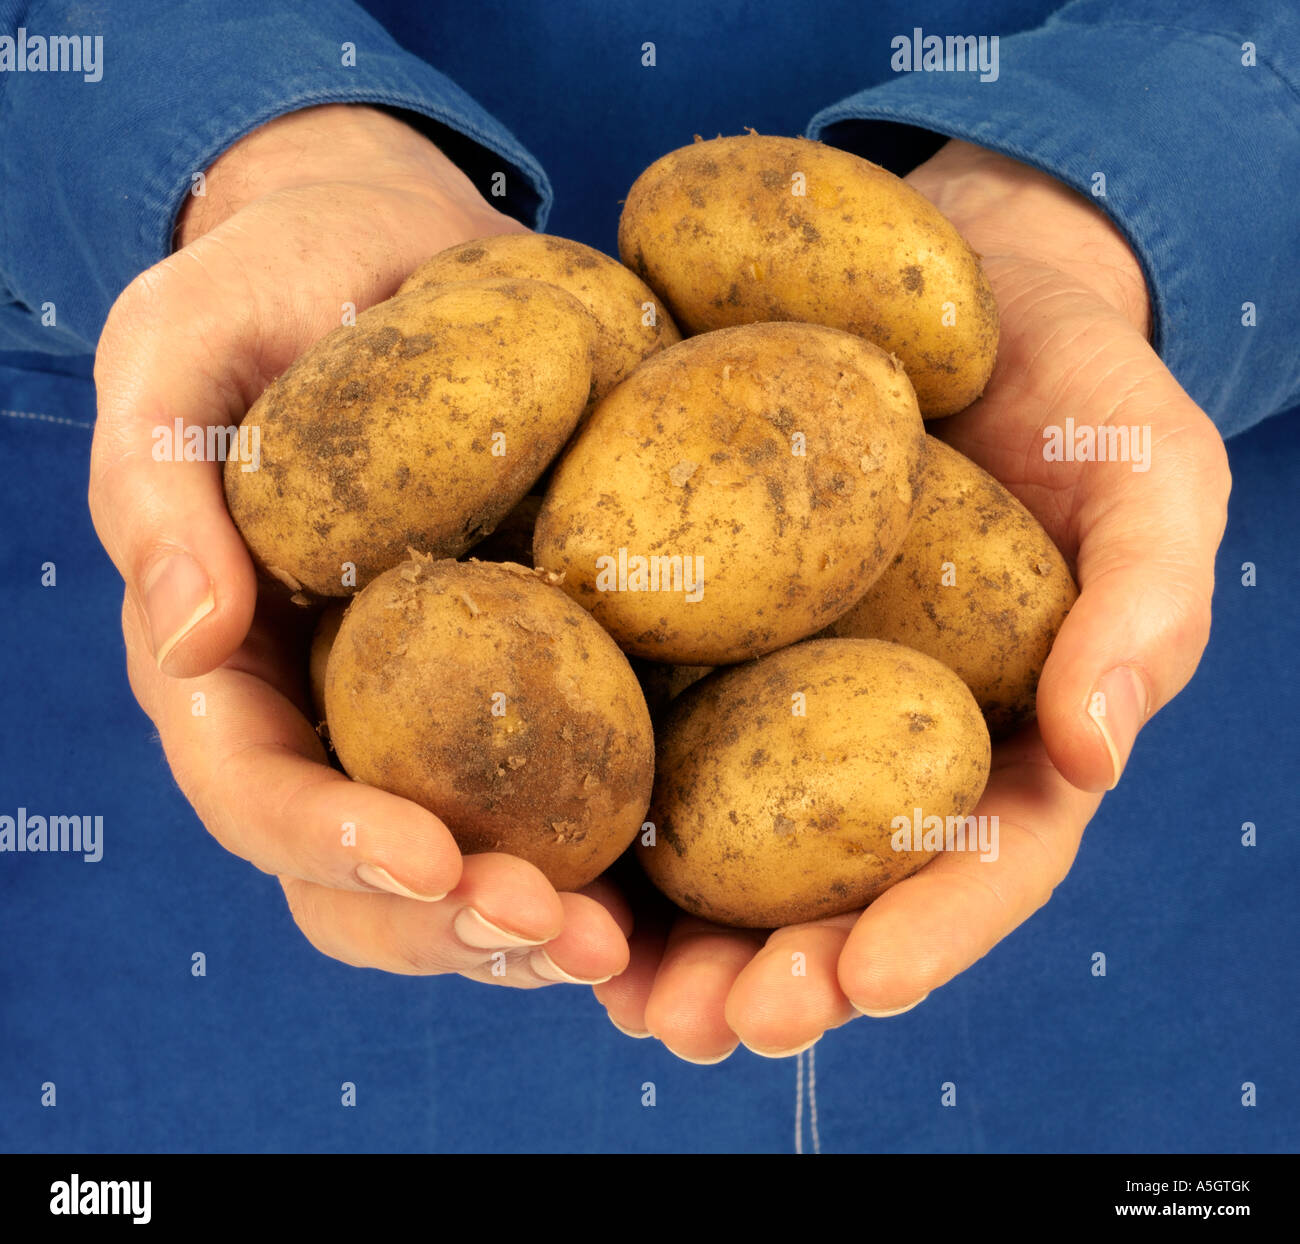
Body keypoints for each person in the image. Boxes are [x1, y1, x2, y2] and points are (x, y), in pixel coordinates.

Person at [2, 0, 1294, 1094]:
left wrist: (1130, 186)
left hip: (1156, 945)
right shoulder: (504, 465)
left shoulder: (825, 427)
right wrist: (230, 134)